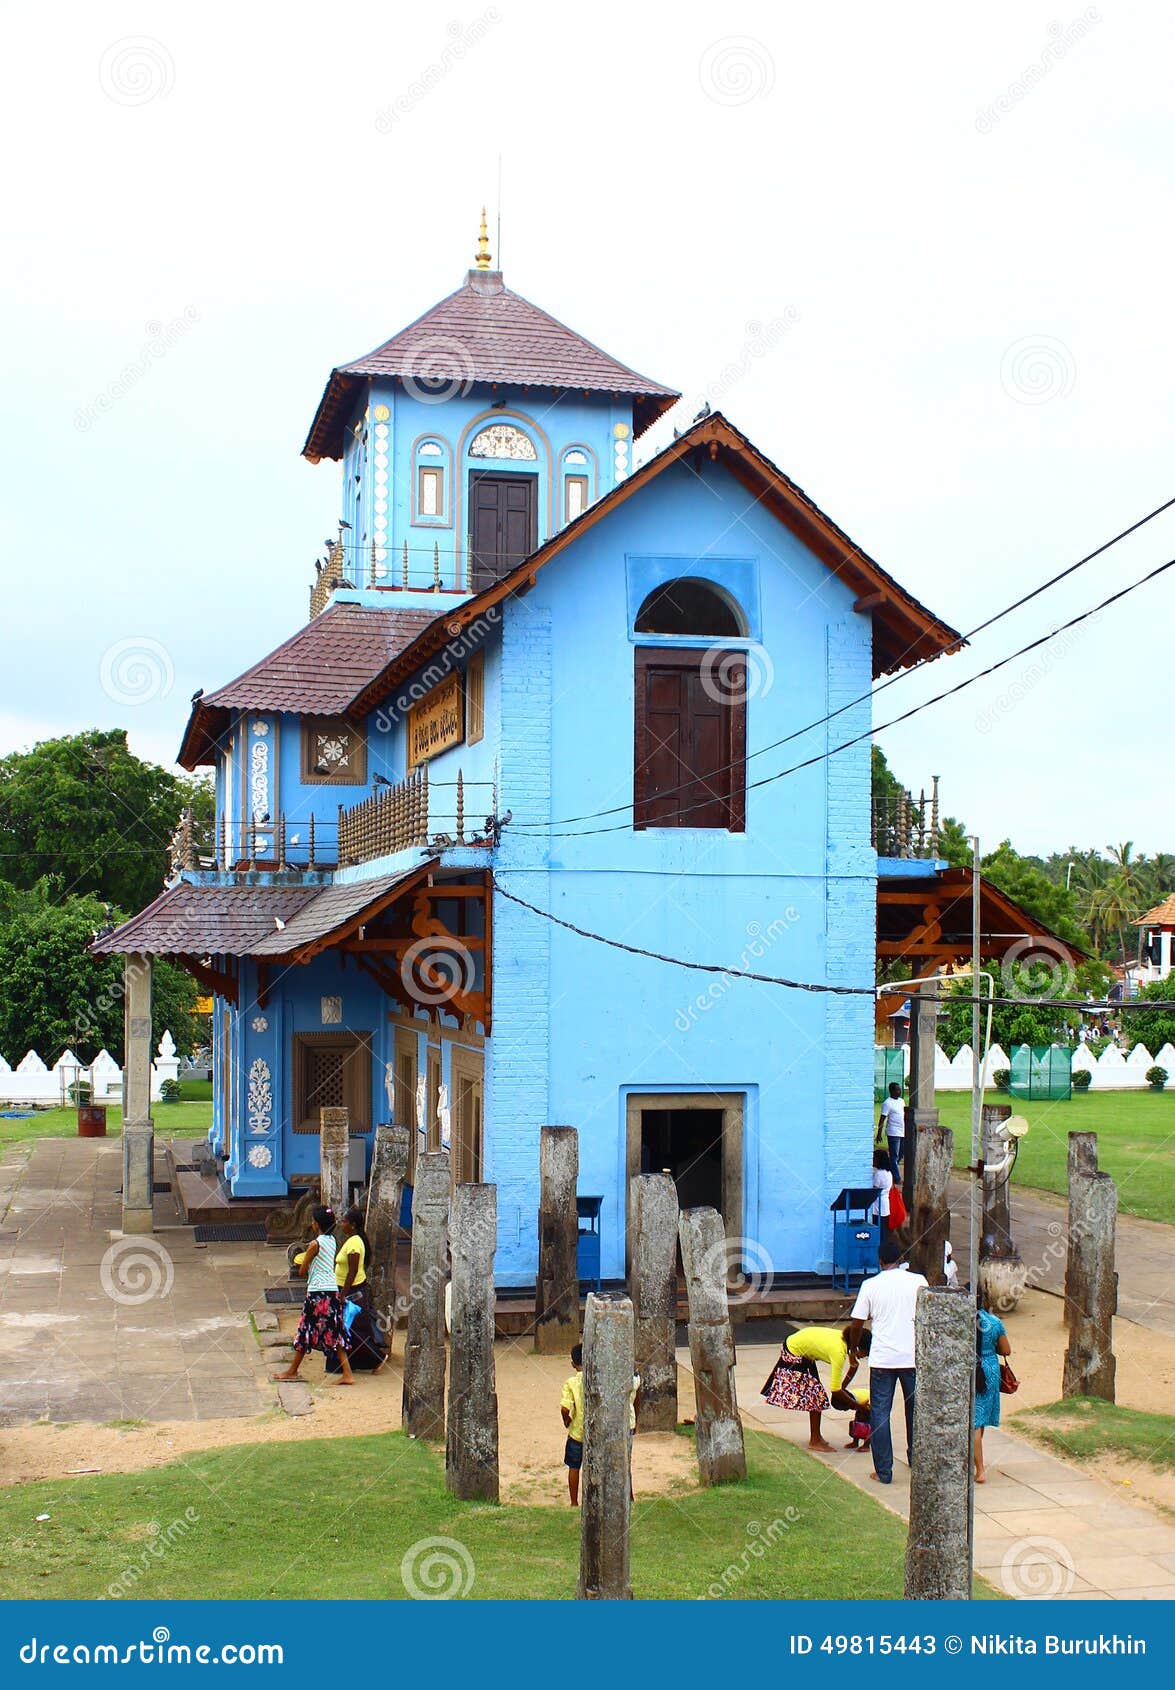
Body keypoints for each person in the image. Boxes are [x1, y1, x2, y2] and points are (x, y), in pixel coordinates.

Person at [846, 1235, 927, 1484]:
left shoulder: (870, 1285)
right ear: (902, 1259)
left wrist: (853, 1347)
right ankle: (918, 1460)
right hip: (912, 1357)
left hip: (883, 1359)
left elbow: (857, 1322)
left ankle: (884, 1470)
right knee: (916, 1410)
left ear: (880, 1261)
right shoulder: (919, 1281)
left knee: (880, 1412)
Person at [275, 1205, 354, 1386]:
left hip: (317, 1293)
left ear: (316, 1225)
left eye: (313, 1221)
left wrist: (303, 1260)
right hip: (332, 1291)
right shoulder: (332, 1240)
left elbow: (302, 1270)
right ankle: (347, 1373)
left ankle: (292, 1371)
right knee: (336, 1332)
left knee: (305, 1331)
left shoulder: (314, 1244)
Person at [761, 1325, 870, 1450]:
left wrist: (843, 1388)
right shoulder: (838, 1351)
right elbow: (835, 1390)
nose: (865, 1356)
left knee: (816, 1395)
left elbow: (853, 1366)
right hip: (795, 1352)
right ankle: (814, 1441)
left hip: (802, 1347)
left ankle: (817, 1437)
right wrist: (857, 1405)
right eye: (865, 1352)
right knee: (817, 1397)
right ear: (857, 1347)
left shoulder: (847, 1342)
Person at [329, 1206, 386, 1374]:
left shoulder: (354, 1243)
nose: (341, 1224)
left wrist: (343, 1294)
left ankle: (377, 1357)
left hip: (352, 1292)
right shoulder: (353, 1239)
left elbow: (352, 1271)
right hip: (349, 1289)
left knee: (354, 1330)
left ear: (352, 1225)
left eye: (344, 1221)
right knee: (350, 1329)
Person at [974, 1298, 1012, 1483]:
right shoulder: (995, 1322)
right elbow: (1006, 1350)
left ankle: (978, 1468)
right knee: (978, 1421)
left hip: (968, 1368)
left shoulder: (960, 1324)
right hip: (989, 1369)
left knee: (973, 1421)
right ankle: (979, 1468)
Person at [561, 1343, 585, 1505]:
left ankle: (574, 1501)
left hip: (577, 1432)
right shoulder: (597, 1378)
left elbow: (564, 1408)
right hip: (595, 1433)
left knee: (574, 1467)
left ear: (572, 1364)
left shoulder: (571, 1382)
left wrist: (566, 1420)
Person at [878, 1081, 906, 1180]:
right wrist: (879, 1133)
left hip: (903, 1131)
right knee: (894, 1155)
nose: (899, 1091)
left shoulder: (901, 1101)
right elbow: (882, 1118)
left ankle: (889, 1171)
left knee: (901, 1154)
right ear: (891, 1091)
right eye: (897, 1090)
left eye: (900, 1089)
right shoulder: (887, 1103)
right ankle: (897, 1178)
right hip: (893, 1132)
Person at [871, 1149, 893, 1226]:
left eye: (874, 1158)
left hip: (877, 1205)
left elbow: (874, 1189)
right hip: (885, 1204)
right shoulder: (889, 1173)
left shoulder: (878, 1174)